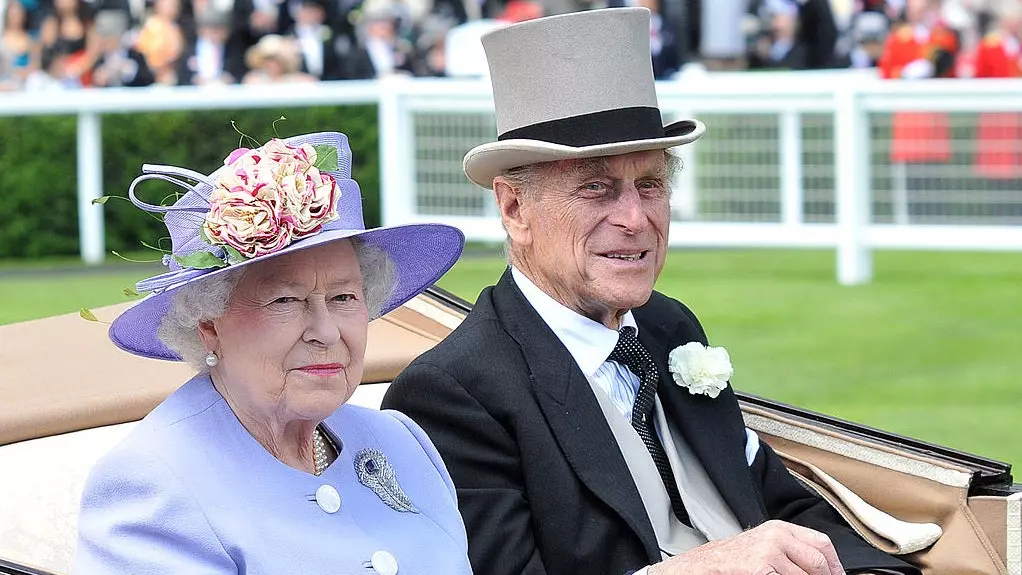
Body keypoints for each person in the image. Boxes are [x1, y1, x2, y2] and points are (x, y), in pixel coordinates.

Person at [382, 9, 919, 575]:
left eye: (650, 185)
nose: (636, 219)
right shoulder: (452, 395)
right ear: (514, 209)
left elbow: (776, 502)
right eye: (596, 188)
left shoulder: (668, 328)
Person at [73, 132, 470, 574]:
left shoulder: (402, 442)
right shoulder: (153, 483)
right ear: (209, 326)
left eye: (343, 298)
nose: (326, 332)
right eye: (285, 301)